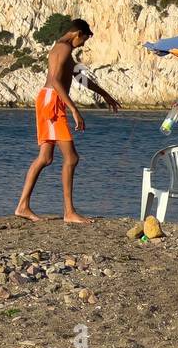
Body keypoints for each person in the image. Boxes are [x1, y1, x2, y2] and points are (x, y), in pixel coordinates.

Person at [15, 18, 120, 224]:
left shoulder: (61, 49)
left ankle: (23, 206)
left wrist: (105, 94)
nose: (83, 44)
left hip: (47, 100)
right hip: (52, 102)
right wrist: (74, 110)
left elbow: (79, 77)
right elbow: (54, 79)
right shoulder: (63, 48)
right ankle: (69, 212)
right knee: (71, 158)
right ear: (77, 33)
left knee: (45, 158)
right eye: (84, 40)